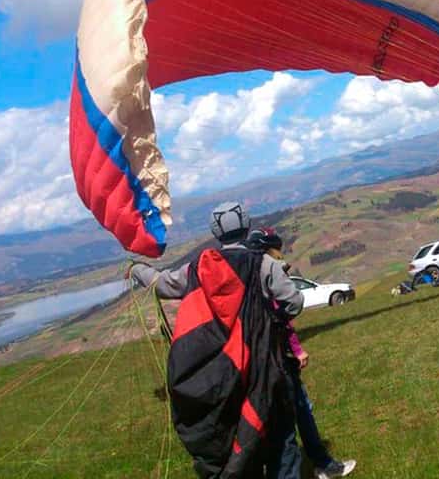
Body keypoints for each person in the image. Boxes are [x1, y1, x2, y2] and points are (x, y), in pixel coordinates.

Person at [129, 202, 305, 479]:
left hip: (224, 369)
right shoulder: (263, 263)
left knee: (241, 433)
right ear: (247, 227)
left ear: (216, 233)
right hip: (264, 366)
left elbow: (163, 285)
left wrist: (138, 269)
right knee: (281, 438)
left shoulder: (199, 268)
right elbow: (294, 302)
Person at [246, 228, 357, 479]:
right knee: (300, 411)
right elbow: (284, 318)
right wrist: (297, 350)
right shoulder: (270, 280)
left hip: (254, 362)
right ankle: (323, 464)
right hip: (280, 359)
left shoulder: (246, 283)